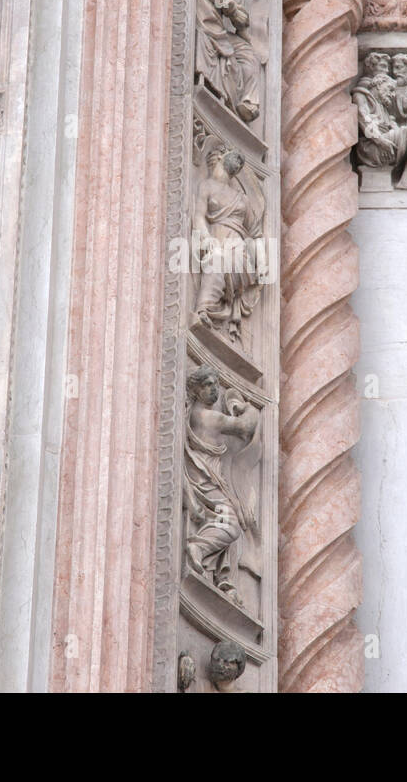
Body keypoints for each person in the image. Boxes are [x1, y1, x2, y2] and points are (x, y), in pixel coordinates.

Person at [183, 366, 260, 600]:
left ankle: (224, 579)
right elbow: (246, 427)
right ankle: (199, 546)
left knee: (230, 516)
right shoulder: (209, 417)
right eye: (207, 384)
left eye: (216, 383)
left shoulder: (197, 414)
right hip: (206, 481)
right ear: (195, 390)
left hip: (211, 478)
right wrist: (248, 408)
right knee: (231, 525)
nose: (214, 388)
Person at [192, 145, 265, 341]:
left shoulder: (243, 199)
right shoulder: (206, 186)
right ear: (220, 156)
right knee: (216, 262)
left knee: (222, 262)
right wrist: (206, 238)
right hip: (217, 237)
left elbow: (256, 233)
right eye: (235, 157)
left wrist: (263, 262)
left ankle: (209, 309)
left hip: (238, 246)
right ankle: (204, 310)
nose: (239, 161)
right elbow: (198, 216)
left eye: (242, 162)